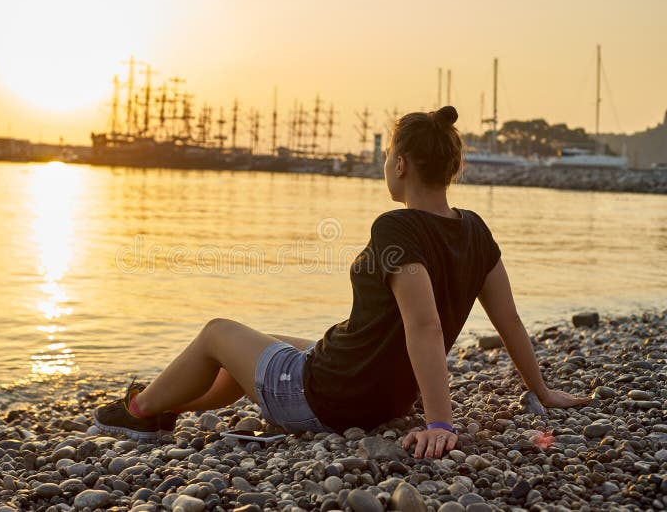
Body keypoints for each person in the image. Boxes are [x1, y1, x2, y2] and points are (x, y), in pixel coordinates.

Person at [93, 105, 591, 459]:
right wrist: (541, 391)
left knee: (218, 332)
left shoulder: (396, 227)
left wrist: (440, 424)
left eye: (388, 157)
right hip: (378, 392)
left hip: (331, 397)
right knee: (268, 348)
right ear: (451, 167)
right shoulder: (476, 230)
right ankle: (166, 407)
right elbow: (509, 320)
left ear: (400, 164)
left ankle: (138, 408)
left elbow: (425, 328)